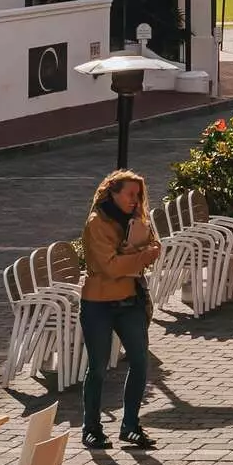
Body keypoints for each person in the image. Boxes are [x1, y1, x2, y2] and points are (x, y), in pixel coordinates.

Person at [80, 170, 162, 450]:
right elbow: (110, 267)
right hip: (99, 304)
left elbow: (154, 245)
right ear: (112, 193)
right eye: (129, 194)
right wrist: (139, 255)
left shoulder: (137, 218)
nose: (134, 200)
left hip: (130, 301)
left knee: (140, 362)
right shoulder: (97, 223)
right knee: (98, 369)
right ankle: (91, 428)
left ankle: (130, 426)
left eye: (137, 195)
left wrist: (138, 254)